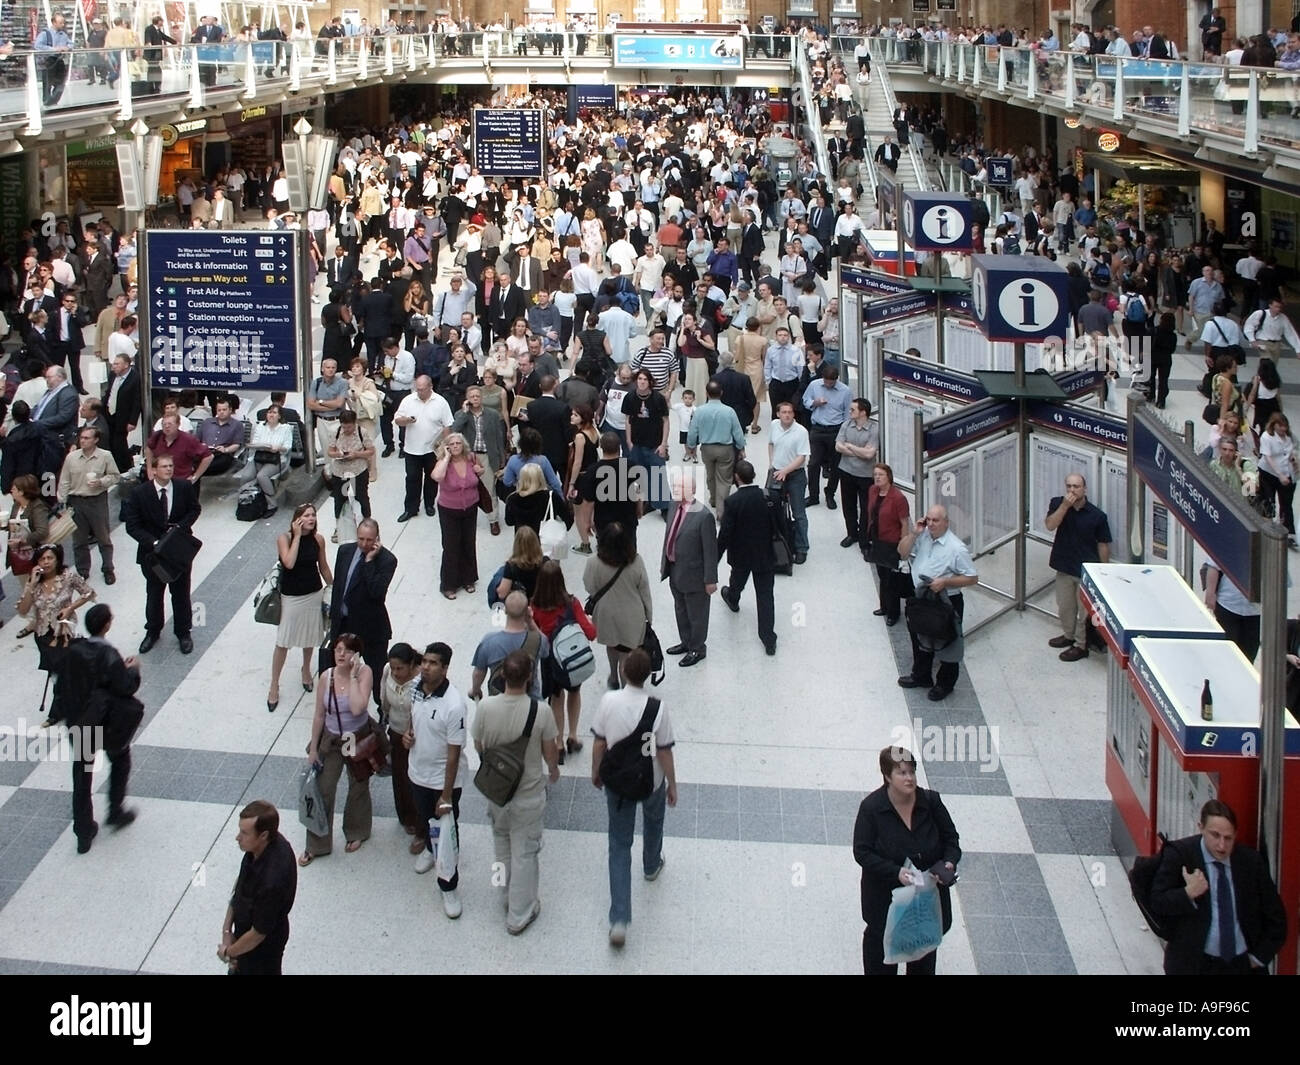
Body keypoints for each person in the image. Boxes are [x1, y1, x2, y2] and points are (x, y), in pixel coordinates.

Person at [589, 647, 676, 947]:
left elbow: (599, 743)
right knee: (654, 821)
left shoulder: (609, 701)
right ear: (648, 675)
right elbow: (664, 750)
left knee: (619, 844)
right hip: (650, 780)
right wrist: (672, 784)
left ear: (623, 672)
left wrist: (595, 772)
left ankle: (620, 919)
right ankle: (651, 864)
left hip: (618, 784)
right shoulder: (658, 708)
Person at [471, 649, 561, 935]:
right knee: (525, 851)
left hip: (497, 791)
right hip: (528, 793)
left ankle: (504, 896)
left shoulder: (486, 708)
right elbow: (550, 753)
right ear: (530, 678)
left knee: (501, 843)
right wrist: (554, 772)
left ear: (501, 676)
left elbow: (479, 745)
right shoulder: (541, 711)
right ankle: (519, 913)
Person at [853, 745, 961, 975]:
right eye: (902, 772)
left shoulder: (931, 802)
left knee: (923, 960)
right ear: (887, 776)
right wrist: (895, 872)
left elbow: (951, 840)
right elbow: (862, 852)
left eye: (911, 771)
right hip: (885, 900)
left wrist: (949, 862)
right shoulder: (872, 808)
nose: (909, 778)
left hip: (925, 903)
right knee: (881, 959)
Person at [1149, 799, 1286, 975]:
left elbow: (1276, 918)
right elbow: (1158, 901)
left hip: (1241, 965)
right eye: (1215, 835)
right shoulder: (1181, 855)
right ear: (1201, 828)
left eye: (1228, 838)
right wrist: (1187, 893)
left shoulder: (1250, 862)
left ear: (1236, 834)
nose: (1222, 845)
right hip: (1195, 966)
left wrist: (1257, 958)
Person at [57, 604, 143, 853]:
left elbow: (62, 685)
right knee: (120, 759)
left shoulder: (74, 651)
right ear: (106, 625)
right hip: (105, 723)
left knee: (82, 776)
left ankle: (83, 832)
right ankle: (115, 810)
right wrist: (134, 670)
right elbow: (126, 687)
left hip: (80, 723)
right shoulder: (109, 655)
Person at [301, 633, 379, 865]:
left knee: (358, 784)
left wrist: (353, 677)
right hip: (332, 737)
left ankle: (357, 830)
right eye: (338, 650)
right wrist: (314, 748)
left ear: (357, 654)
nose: (341, 654)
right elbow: (318, 715)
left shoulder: (365, 673)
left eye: (346, 650)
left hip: (357, 736)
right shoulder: (326, 676)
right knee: (324, 788)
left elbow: (357, 708)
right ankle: (317, 843)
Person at [405, 641, 467, 919]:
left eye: (432, 663)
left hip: (443, 781)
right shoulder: (417, 687)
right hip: (417, 772)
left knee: (446, 832)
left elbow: (454, 754)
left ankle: (448, 885)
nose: (425, 667)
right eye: (424, 662)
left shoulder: (454, 705)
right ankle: (430, 850)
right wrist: (408, 735)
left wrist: (446, 795)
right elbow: (413, 717)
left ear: (444, 668)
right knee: (427, 822)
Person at [896, 505, 978, 702]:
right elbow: (902, 552)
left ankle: (945, 684)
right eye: (929, 519)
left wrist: (945, 581)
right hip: (922, 597)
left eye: (936, 520)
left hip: (946, 600)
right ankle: (921, 675)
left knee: (947, 643)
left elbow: (972, 578)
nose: (931, 524)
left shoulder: (956, 547)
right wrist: (914, 534)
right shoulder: (923, 536)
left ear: (946, 522)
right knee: (920, 637)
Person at [121, 455, 201, 655]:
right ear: (154, 470)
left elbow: (194, 509)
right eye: (164, 466)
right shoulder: (140, 493)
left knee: (181, 593)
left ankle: (183, 632)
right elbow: (132, 525)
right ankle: (153, 631)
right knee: (155, 593)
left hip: (178, 550)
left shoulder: (183, 487)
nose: (169, 469)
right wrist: (154, 542)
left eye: (171, 466)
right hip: (153, 554)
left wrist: (180, 528)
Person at [219, 800, 297, 975]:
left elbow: (258, 934)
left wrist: (228, 952)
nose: (237, 837)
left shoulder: (272, 881)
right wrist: (226, 930)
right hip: (244, 937)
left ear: (263, 835)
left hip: (262, 951)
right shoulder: (257, 847)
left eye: (244, 833)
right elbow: (240, 884)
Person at [268, 504, 332, 712]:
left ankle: (306, 669)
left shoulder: (318, 539)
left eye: (313, 515)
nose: (311, 518)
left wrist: (334, 587)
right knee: (283, 641)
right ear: (297, 519)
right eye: (307, 515)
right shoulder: (284, 538)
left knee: (309, 637)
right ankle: (274, 684)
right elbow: (289, 562)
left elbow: (323, 566)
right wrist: (296, 536)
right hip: (291, 597)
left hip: (313, 594)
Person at [326, 519, 396, 703]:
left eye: (369, 540)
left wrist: (369, 561)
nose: (364, 544)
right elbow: (339, 587)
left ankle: (382, 709)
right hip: (343, 624)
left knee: (377, 675)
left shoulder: (387, 560)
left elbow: (376, 593)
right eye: (361, 539)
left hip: (370, 629)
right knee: (340, 670)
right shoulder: (345, 551)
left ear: (377, 538)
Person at [1044, 473, 1112, 662]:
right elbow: (1050, 525)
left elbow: (1103, 543)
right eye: (1069, 486)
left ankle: (1081, 645)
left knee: (1084, 613)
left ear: (1085, 489)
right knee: (1065, 606)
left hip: (1085, 571)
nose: (1072, 490)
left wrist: (1103, 571)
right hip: (1064, 565)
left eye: (1076, 486)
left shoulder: (1097, 516)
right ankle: (1068, 635)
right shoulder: (1058, 504)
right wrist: (1065, 506)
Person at [660, 467, 718, 668]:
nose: (675, 489)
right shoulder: (673, 506)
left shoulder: (703, 516)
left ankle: (697, 648)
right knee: (681, 609)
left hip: (695, 575)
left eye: (679, 486)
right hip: (675, 570)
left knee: (697, 614)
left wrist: (710, 579)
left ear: (691, 489)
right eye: (674, 485)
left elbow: (711, 551)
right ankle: (686, 642)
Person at [718, 460, 777, 655]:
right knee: (765, 596)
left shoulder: (733, 502)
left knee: (737, 582)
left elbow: (725, 533)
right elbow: (779, 526)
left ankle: (733, 599)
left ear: (736, 477)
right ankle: (769, 639)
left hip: (741, 556)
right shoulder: (769, 497)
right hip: (765, 555)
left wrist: (715, 557)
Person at [16, 541, 94, 676]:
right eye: (42, 559)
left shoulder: (68, 577)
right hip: (44, 636)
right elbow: (23, 610)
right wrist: (31, 586)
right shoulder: (34, 583)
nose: (46, 562)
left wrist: (70, 608)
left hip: (66, 632)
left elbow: (88, 593)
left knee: (73, 670)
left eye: (50, 558)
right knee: (57, 675)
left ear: (57, 560)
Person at [57, 426, 118, 583]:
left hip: (96, 500)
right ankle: (82, 571)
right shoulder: (72, 457)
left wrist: (101, 482)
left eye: (86, 438)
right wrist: (62, 501)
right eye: (81, 437)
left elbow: (115, 476)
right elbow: (64, 480)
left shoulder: (105, 456)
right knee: (79, 540)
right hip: (76, 501)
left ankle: (108, 569)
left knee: (103, 537)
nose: (82, 441)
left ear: (96, 440)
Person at [393, 375, 453, 522]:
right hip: (412, 449)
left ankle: (429, 504)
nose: (419, 392)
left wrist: (445, 448)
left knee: (431, 479)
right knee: (412, 479)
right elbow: (397, 419)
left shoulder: (440, 402)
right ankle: (410, 508)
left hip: (432, 449)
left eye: (422, 389)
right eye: (417, 389)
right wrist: (406, 420)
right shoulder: (408, 400)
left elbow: (447, 425)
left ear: (430, 387)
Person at [380, 643, 421, 848]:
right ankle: (405, 815)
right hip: (396, 731)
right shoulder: (388, 671)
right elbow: (384, 701)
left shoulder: (420, 681)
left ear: (411, 665)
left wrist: (412, 731)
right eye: (393, 668)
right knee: (399, 776)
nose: (395, 672)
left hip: (417, 737)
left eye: (400, 668)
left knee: (415, 778)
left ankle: (418, 819)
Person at [432, 432, 483, 598]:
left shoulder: (471, 458)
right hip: (449, 509)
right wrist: (446, 458)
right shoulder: (443, 462)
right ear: (447, 446)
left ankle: (469, 579)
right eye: (451, 444)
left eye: (458, 443)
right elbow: (437, 477)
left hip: (470, 507)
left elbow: (480, 472)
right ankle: (449, 584)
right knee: (451, 546)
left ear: (463, 445)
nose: (455, 446)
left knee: (469, 543)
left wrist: (479, 470)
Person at [686, 379, 746, 518]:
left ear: (707, 393)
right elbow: (738, 432)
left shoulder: (699, 411)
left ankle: (713, 499)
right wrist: (741, 447)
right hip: (725, 449)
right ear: (721, 393)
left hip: (707, 448)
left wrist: (691, 446)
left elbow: (693, 430)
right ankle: (721, 511)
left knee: (711, 474)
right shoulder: (729, 411)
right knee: (724, 480)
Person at [864, 464, 911, 626]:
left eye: (881, 475)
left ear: (889, 477)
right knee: (882, 576)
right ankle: (884, 606)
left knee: (892, 580)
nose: (877, 477)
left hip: (892, 543)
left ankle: (893, 612)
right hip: (877, 540)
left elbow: (904, 523)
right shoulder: (873, 490)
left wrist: (903, 545)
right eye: (875, 474)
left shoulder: (898, 498)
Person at [768, 401, 811, 564]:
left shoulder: (801, 432)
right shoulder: (774, 425)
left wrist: (785, 470)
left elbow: (802, 457)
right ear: (778, 414)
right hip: (777, 474)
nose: (787, 415)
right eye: (784, 412)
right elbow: (771, 443)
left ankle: (801, 548)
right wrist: (771, 464)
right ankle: (779, 542)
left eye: (790, 412)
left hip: (795, 476)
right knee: (774, 510)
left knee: (798, 512)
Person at [834, 399, 879, 551]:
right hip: (846, 471)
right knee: (848, 505)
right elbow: (838, 446)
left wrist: (850, 446)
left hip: (866, 475)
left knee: (866, 508)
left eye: (853, 410)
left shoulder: (874, 429)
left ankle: (864, 540)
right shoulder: (846, 425)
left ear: (863, 412)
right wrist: (859, 451)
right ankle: (852, 533)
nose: (850, 412)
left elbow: (869, 454)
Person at [1257, 413, 1297, 545]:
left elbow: (1292, 451)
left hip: (1287, 473)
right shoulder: (1267, 437)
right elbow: (1268, 458)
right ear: (1274, 425)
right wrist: (1279, 474)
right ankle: (1266, 527)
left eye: (1285, 427)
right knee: (1269, 500)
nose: (1283, 429)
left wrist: (1293, 460)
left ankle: (1288, 532)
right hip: (1269, 473)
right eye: (1280, 426)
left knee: (1286, 504)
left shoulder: (1289, 437)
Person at [247, 404, 292, 514]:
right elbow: (255, 442)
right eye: (269, 412)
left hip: (276, 458)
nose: (271, 415)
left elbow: (287, 446)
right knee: (246, 476)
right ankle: (249, 501)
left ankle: (271, 504)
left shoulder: (285, 428)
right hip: (259, 456)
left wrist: (278, 448)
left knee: (261, 476)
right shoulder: (260, 426)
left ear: (279, 416)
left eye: (274, 413)